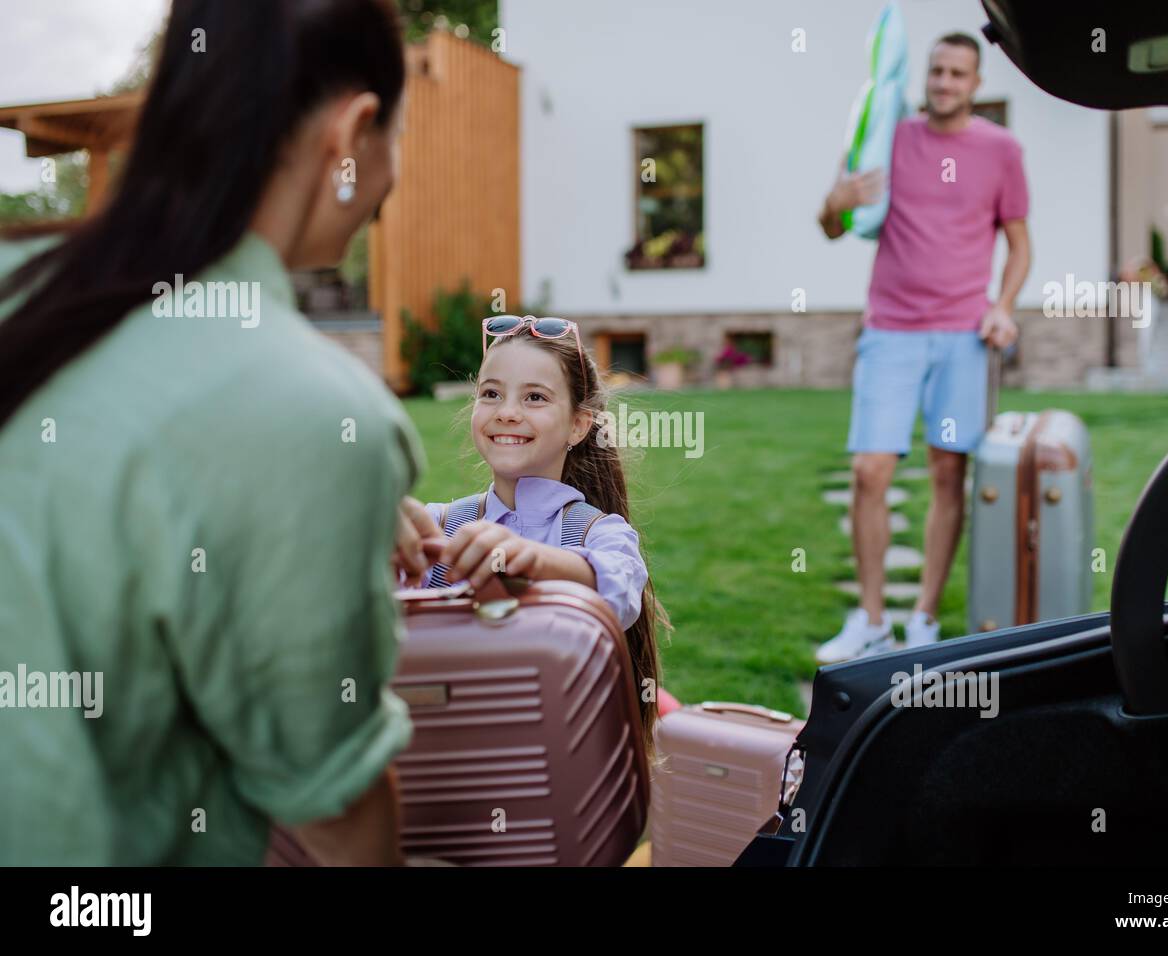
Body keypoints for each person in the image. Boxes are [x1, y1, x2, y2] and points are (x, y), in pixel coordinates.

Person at [0, 0, 435, 864]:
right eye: (397, 138)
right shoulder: (311, 411)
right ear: (351, 135)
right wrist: (305, 469)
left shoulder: (23, 281)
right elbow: (334, 806)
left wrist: (282, 503)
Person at [814, 31, 1031, 663]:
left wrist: (1003, 306)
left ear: (976, 82)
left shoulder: (1001, 150)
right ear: (925, 76)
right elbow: (830, 226)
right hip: (890, 330)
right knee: (869, 471)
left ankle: (926, 617)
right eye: (937, 71)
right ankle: (872, 619)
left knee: (947, 471)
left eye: (958, 74)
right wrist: (837, 202)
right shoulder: (887, 137)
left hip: (963, 336)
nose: (944, 83)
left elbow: (1020, 245)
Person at [418, 316, 670, 749]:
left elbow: (619, 589)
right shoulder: (438, 525)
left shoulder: (600, 534)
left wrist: (530, 559)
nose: (507, 412)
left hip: (560, 772)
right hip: (453, 763)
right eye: (491, 393)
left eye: (535, 397)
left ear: (578, 424)